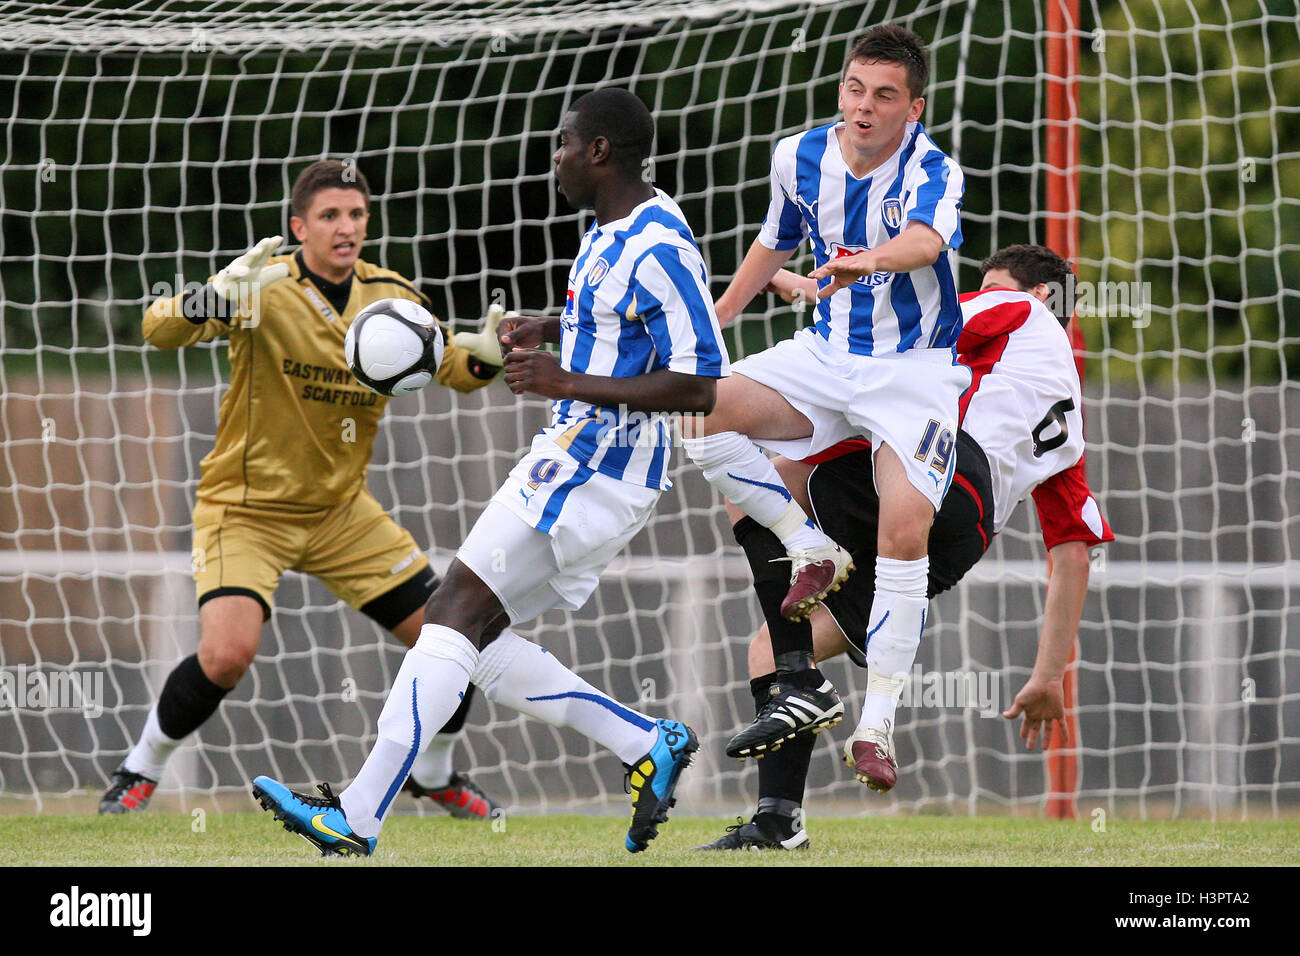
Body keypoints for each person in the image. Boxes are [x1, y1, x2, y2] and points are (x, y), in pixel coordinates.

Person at [250, 87, 731, 856]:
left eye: (564, 143)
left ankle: (358, 814)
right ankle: (645, 743)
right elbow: (622, 334)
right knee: (474, 631)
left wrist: (564, 381)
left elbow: (701, 384)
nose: (557, 157)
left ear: (600, 151)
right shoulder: (611, 231)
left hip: (591, 471)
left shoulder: (660, 245)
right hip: (581, 466)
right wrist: (551, 328)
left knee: (449, 615)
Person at [101, 160, 505, 820]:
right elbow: (158, 328)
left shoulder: (393, 296)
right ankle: (139, 767)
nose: (346, 228)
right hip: (246, 507)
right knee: (228, 654)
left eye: (356, 216)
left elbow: (455, 366)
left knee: (455, 637)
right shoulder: (261, 287)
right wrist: (211, 296)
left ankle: (432, 774)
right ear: (299, 227)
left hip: (341, 512)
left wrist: (485, 353)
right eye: (329, 216)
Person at [696, 244, 1114, 849]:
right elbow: (1072, 553)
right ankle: (778, 819)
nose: (976, 292)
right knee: (774, 647)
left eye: (988, 285)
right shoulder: (1068, 425)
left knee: (762, 472)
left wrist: (803, 284)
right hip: (964, 534)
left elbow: (900, 322)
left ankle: (809, 561)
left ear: (1040, 295)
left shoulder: (1017, 310)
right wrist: (1049, 676)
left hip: (936, 467)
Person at [680, 24, 970, 781]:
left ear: (914, 107)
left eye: (884, 96)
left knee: (906, 531)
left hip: (914, 372)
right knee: (691, 409)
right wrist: (719, 317)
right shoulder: (798, 155)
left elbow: (925, 244)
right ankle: (808, 543)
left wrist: (864, 262)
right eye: (854, 89)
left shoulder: (933, 168)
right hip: (824, 356)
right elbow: (773, 245)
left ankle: (875, 728)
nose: (864, 108)